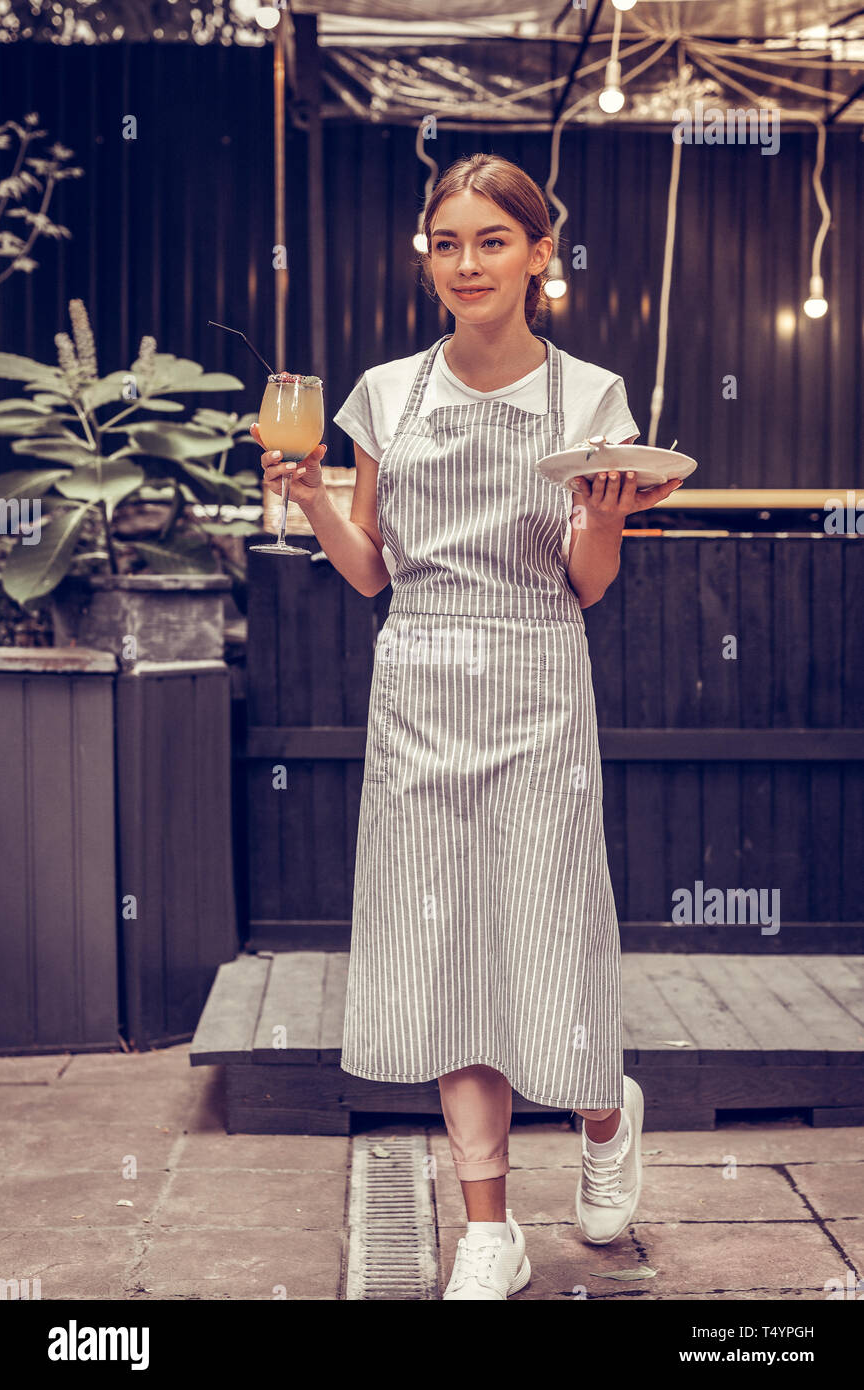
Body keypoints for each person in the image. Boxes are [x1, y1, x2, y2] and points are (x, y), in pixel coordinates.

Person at [252, 152, 683, 1301]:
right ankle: (485, 1225)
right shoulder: (382, 395)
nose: (465, 263)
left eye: (492, 239)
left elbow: (587, 585)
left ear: (540, 254)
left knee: (550, 930)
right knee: (444, 951)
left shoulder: (590, 397)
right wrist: (307, 501)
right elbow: (370, 572)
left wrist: (601, 516)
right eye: (445, 242)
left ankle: (602, 1113)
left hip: (539, 678)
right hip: (418, 687)